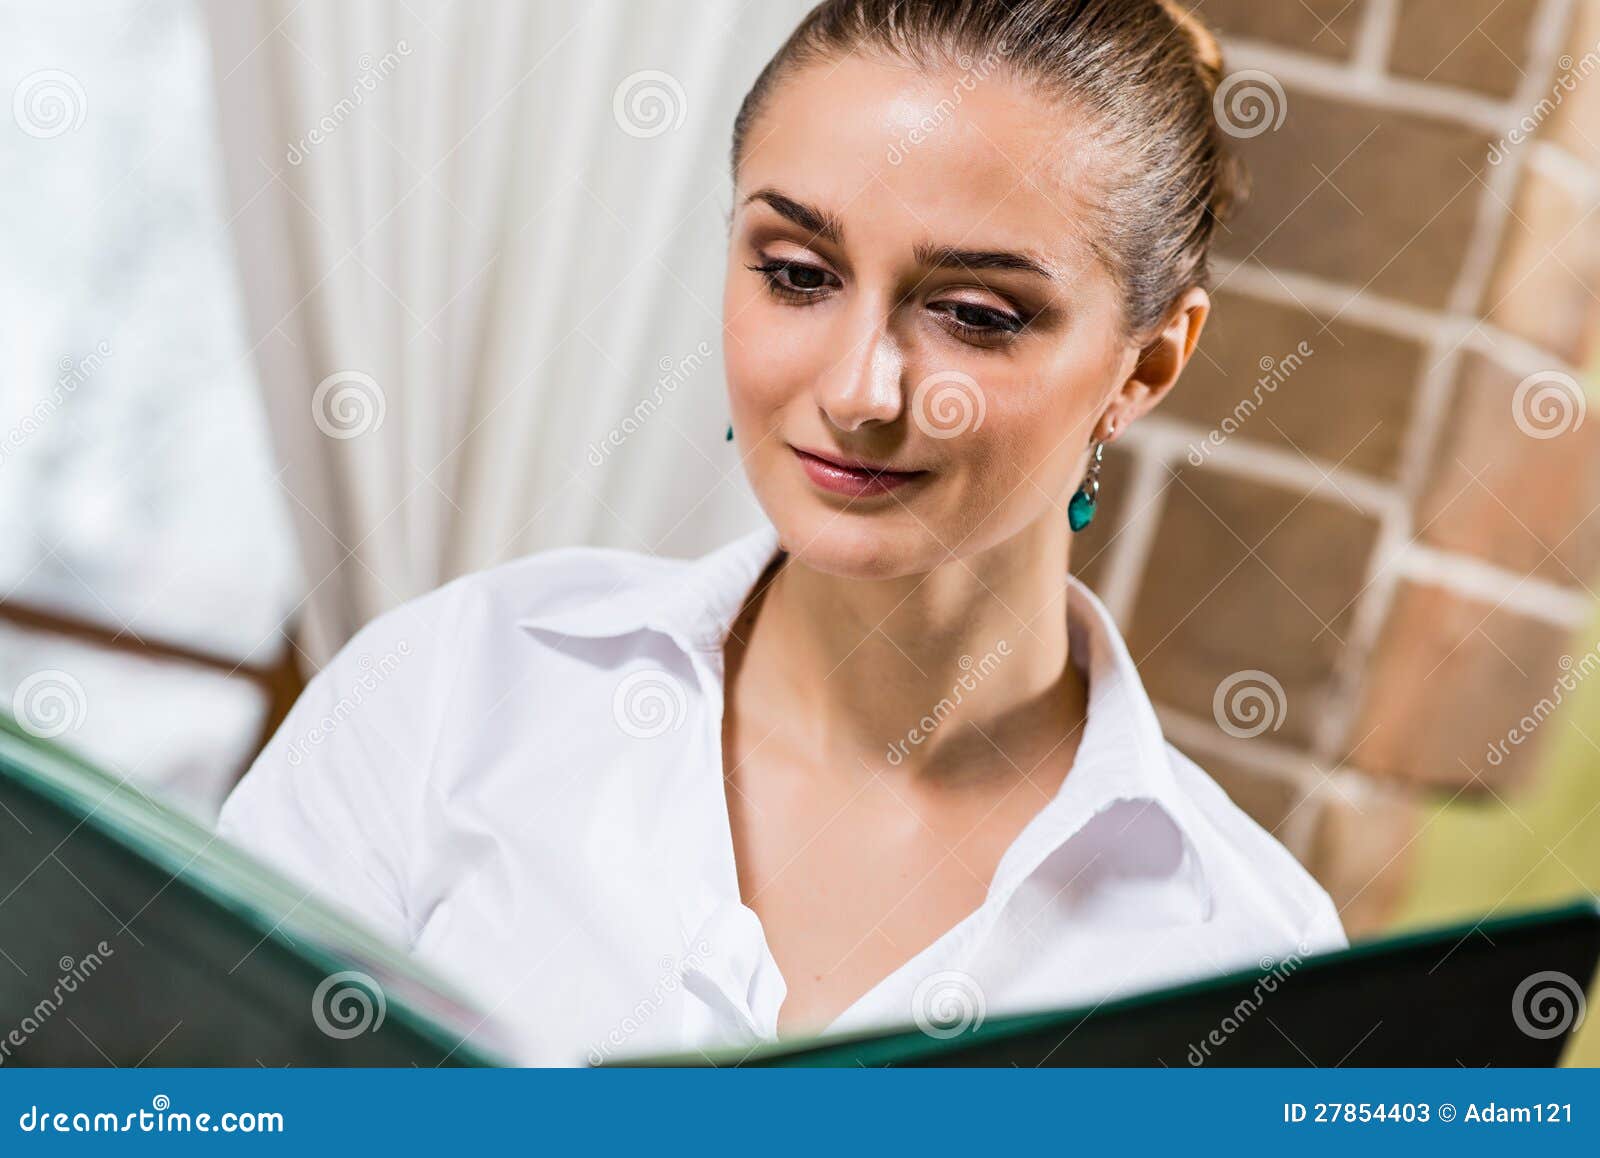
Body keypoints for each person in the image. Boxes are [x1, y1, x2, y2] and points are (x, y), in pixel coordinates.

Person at [218, 0, 1347, 1066]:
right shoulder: (453, 691)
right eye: (797, 276)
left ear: (1146, 362)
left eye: (974, 315)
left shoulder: (1252, 962)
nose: (859, 390)